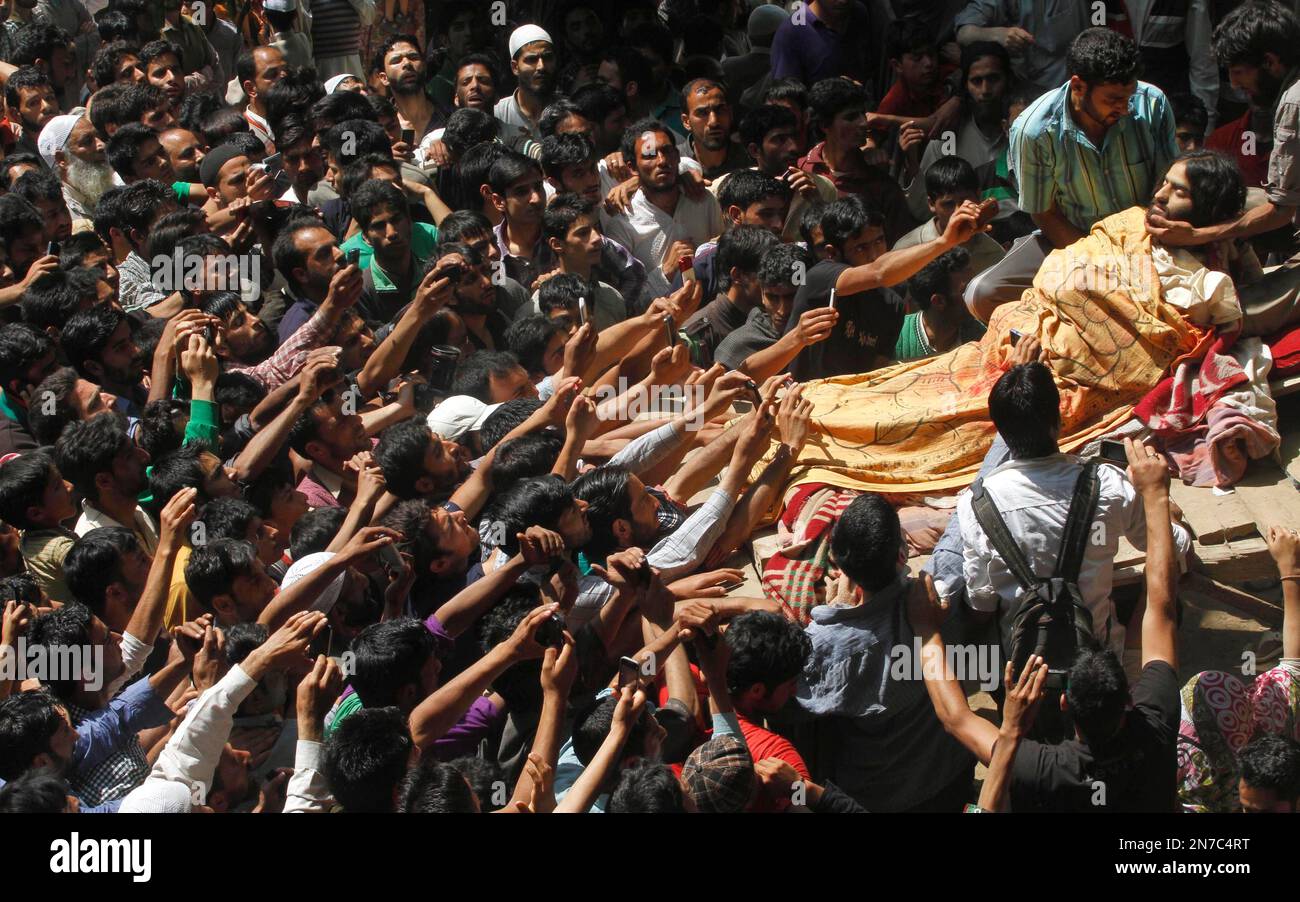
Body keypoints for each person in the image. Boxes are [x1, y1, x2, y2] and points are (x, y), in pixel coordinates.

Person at [969, 28, 1178, 319]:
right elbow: (1045, 213)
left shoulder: (1151, 103)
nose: (1126, 108)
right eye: (1114, 99)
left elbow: (1168, 189)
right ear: (1078, 87)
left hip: (1148, 240)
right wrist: (1100, 263)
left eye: (1129, 96)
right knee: (982, 294)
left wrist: (1139, 251)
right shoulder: (1033, 130)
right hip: (1070, 241)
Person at [785, 493, 975, 812]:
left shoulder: (820, 647)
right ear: (903, 555)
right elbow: (963, 528)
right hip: (949, 781)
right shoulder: (940, 596)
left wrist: (836, 612)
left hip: (874, 798)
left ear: (836, 558)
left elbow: (785, 707)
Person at [895, 248, 985, 362]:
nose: (975, 295)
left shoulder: (983, 338)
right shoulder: (894, 339)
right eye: (966, 290)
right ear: (939, 302)